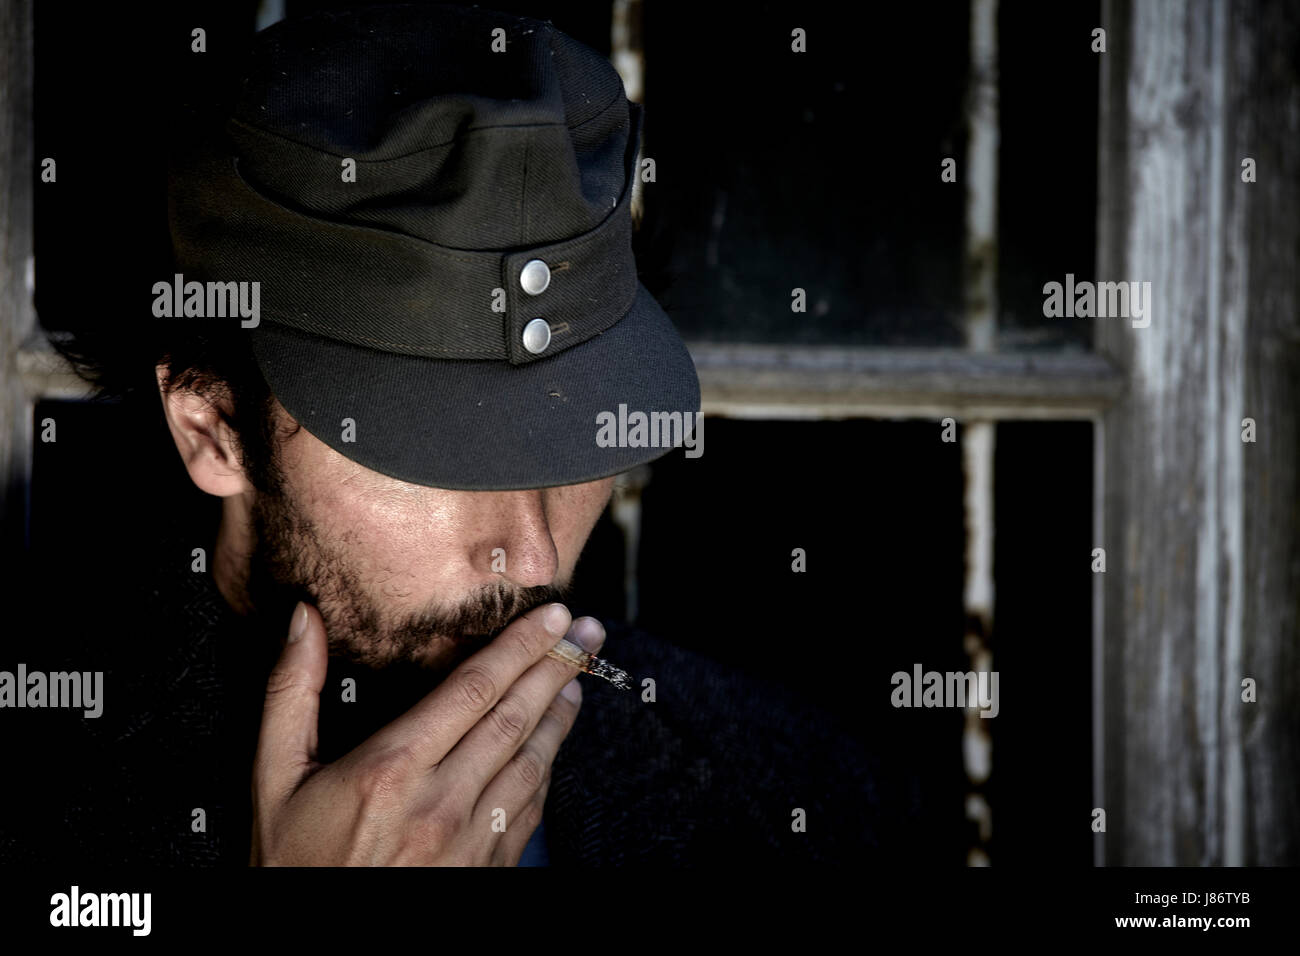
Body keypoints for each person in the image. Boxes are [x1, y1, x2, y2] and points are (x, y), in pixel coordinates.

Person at [14, 3, 918, 866]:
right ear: (213, 429)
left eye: (574, 435)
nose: (531, 558)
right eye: (436, 449)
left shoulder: (791, 797)